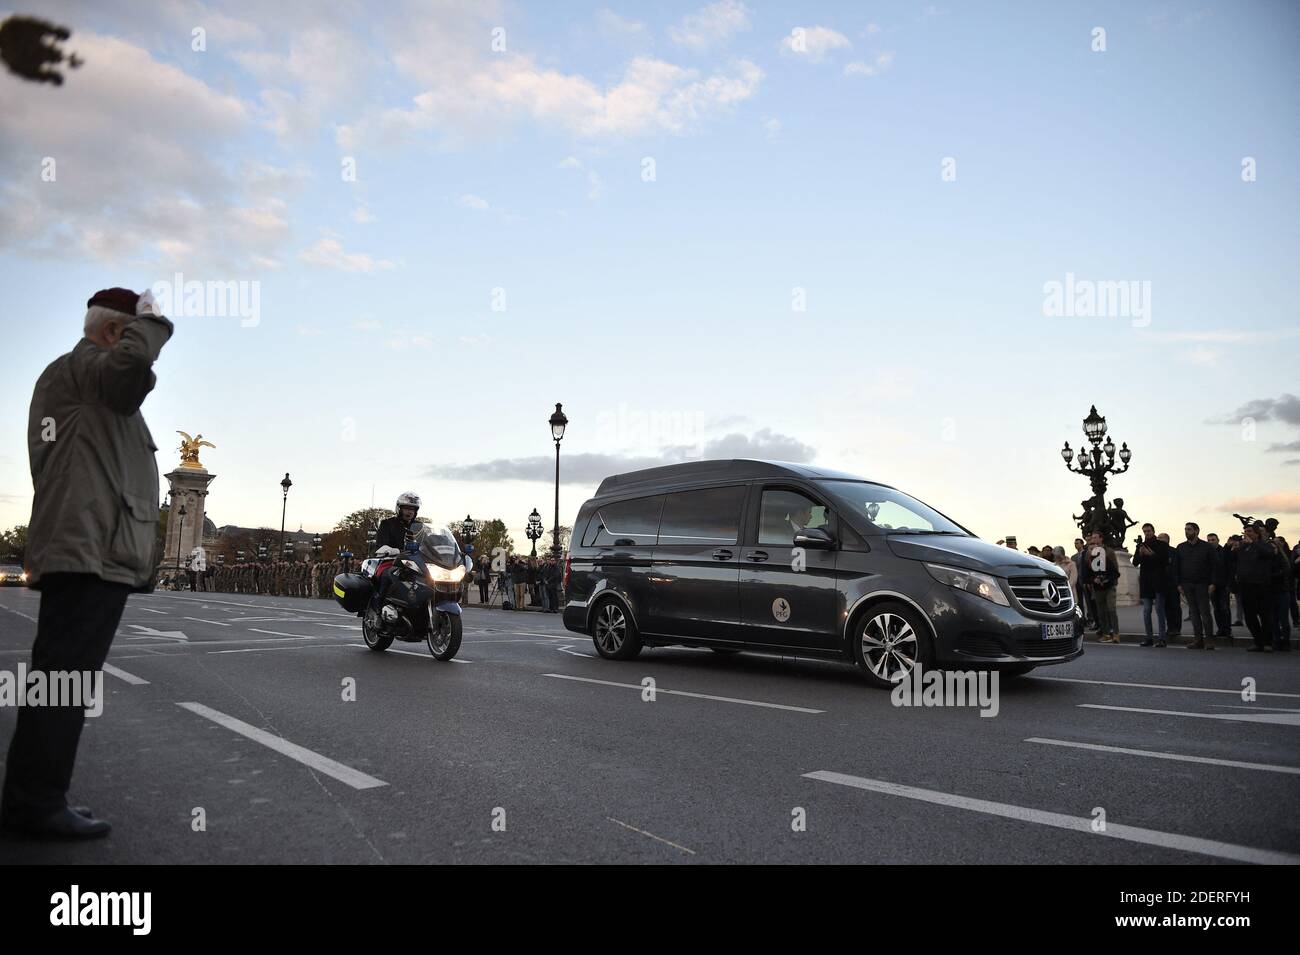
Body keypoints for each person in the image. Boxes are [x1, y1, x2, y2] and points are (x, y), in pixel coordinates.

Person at [3, 287, 172, 839]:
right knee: (65, 680)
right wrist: (151, 320)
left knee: (64, 679)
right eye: (129, 334)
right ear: (111, 334)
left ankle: (34, 796)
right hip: (87, 551)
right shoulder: (88, 371)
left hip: (93, 547)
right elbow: (129, 374)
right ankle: (36, 801)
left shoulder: (87, 381)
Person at [1237, 523, 1281, 652]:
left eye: (1249, 531)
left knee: (1265, 616)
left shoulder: (1264, 545)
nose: (1247, 533)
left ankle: (1267, 642)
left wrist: (1254, 543)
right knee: (1250, 617)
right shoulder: (1244, 547)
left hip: (1262, 586)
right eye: (1245, 531)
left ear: (1257, 533)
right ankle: (1258, 641)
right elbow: (1235, 562)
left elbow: (1269, 554)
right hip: (1246, 586)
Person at [1175, 521, 1216, 650]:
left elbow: (1215, 566)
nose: (1187, 531)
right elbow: (1176, 567)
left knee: (1205, 613)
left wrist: (1213, 583)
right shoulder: (1180, 547)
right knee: (1194, 613)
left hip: (1202, 584)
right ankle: (1198, 640)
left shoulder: (1207, 547)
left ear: (1197, 531)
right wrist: (1178, 584)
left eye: (1189, 529)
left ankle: (1209, 640)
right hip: (1187, 584)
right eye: (1185, 529)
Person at [1131, 523, 1169, 647]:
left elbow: (1164, 561)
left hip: (1158, 580)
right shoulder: (1141, 545)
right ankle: (1149, 637)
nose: (1147, 533)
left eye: (1148, 531)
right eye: (1145, 531)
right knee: (1146, 611)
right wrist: (1141, 553)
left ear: (1153, 531)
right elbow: (1135, 563)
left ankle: (1162, 638)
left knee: (1159, 610)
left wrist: (1151, 554)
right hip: (1146, 581)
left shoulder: (1162, 545)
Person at [1086, 531, 1121, 643]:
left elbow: (1115, 569)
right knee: (1101, 612)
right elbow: (1088, 572)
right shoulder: (1089, 553)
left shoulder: (1109, 552)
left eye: (1095, 537)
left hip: (1109, 585)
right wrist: (1093, 580)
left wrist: (1110, 581)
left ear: (1101, 539)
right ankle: (1106, 633)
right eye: (1092, 538)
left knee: (1111, 609)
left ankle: (1115, 633)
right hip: (1097, 587)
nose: (1093, 540)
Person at [1158, 532, 1183, 638]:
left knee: (1175, 606)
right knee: (1166, 608)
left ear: (1167, 540)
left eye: (1161, 538)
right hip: (1162, 584)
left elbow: (1177, 567)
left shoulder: (1174, 551)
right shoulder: (1157, 552)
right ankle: (1170, 627)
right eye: (1158, 538)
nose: (1159, 539)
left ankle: (1176, 628)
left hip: (1173, 583)